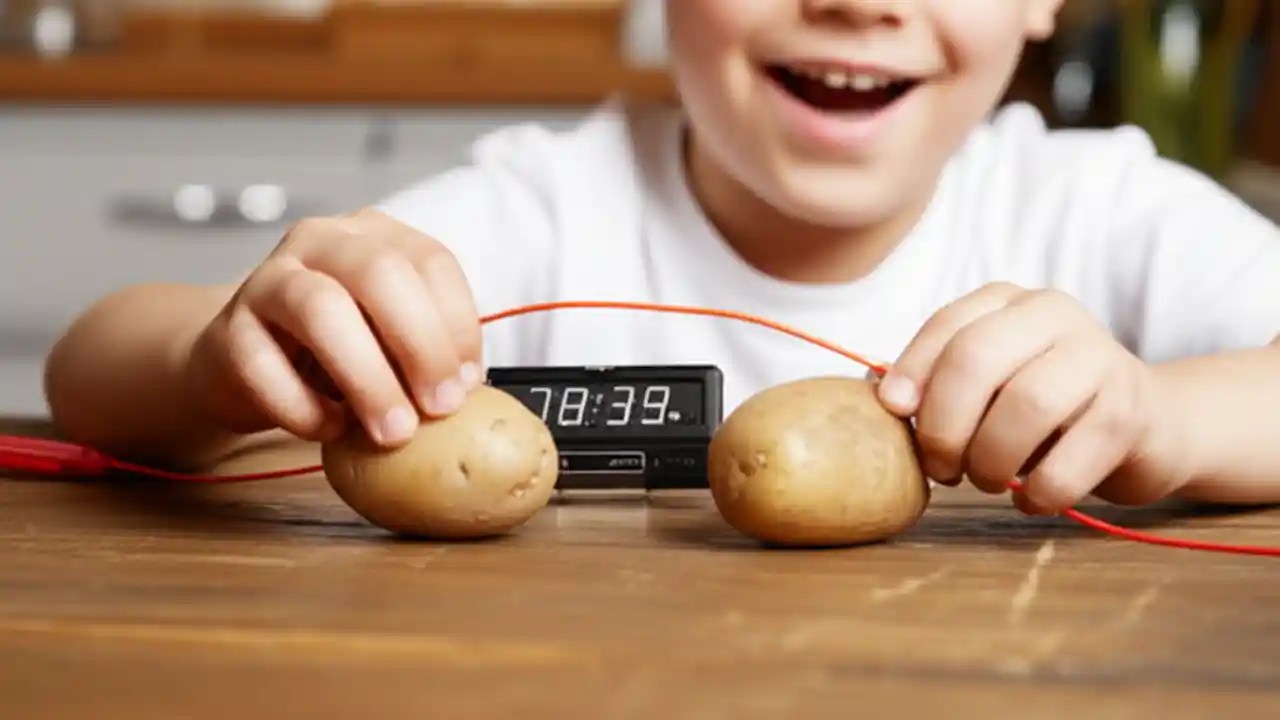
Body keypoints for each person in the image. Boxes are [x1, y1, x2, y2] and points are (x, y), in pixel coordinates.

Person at [42, 0, 1280, 516]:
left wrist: (1159, 415)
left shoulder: (1091, 204)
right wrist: (220, 358)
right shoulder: (544, 202)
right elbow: (90, 369)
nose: (853, 1)